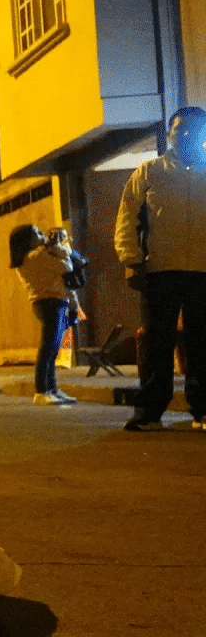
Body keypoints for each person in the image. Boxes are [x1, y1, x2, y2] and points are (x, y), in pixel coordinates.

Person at [115, 106, 206, 432]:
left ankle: (203, 410)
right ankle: (149, 412)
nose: (185, 135)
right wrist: (131, 259)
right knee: (157, 343)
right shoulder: (149, 172)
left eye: (194, 130)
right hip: (159, 270)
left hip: (203, 272)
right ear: (168, 133)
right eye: (178, 130)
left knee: (202, 343)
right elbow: (127, 217)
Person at [9, 224, 78, 406]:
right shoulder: (36, 255)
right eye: (37, 233)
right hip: (50, 303)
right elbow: (67, 266)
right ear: (28, 240)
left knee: (53, 349)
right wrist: (56, 246)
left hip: (51, 302)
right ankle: (42, 391)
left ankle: (51, 389)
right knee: (48, 349)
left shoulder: (30, 257)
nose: (42, 235)